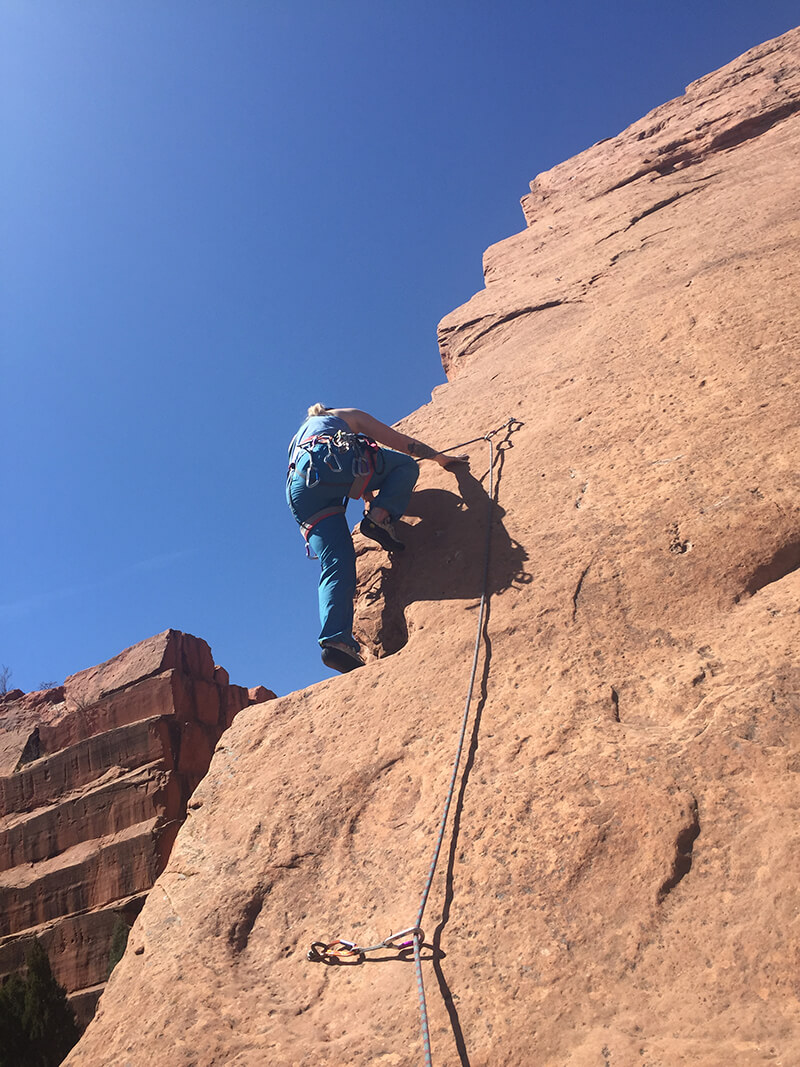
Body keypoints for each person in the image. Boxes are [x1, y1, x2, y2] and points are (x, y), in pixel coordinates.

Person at [286, 404, 468, 674]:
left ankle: (336, 641)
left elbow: (351, 479)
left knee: (337, 561)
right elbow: (401, 444)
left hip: (300, 491)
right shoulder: (345, 415)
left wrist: (369, 498)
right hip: (330, 461)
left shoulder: (299, 436)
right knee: (405, 467)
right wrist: (441, 458)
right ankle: (380, 520)